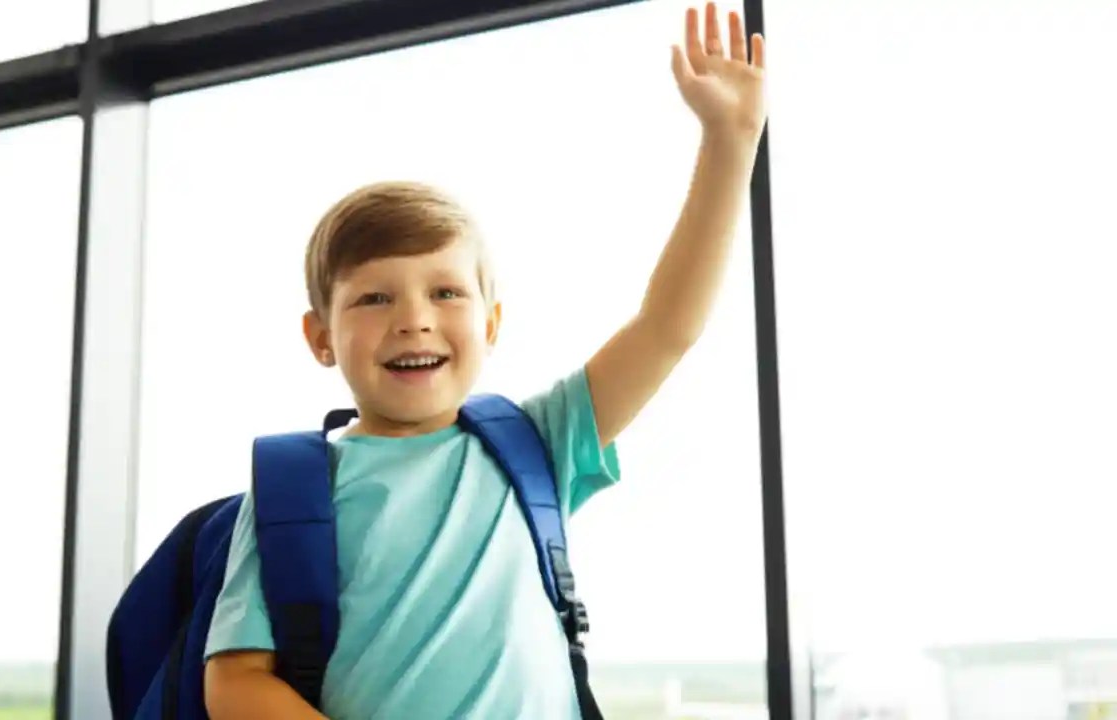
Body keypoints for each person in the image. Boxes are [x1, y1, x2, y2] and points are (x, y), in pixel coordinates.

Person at [202, 3, 767, 717]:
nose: (414, 319)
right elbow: (235, 681)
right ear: (320, 337)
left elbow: (668, 327)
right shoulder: (290, 493)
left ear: (491, 323)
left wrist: (730, 139)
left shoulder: (538, 442)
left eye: (445, 292)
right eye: (375, 299)